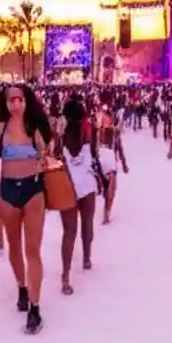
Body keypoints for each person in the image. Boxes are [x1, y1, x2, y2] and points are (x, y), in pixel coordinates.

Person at [0, 84, 53, 335]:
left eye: (19, 99)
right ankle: (22, 287)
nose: (15, 104)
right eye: (11, 100)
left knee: (32, 251)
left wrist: (45, 156)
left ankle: (35, 307)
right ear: (5, 102)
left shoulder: (34, 125)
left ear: (26, 101)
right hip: (8, 191)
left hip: (33, 190)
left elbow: (45, 153)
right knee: (14, 246)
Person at [58, 95, 99, 296]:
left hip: (67, 185)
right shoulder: (88, 129)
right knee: (87, 223)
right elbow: (95, 154)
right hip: (87, 183)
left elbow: (56, 160)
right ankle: (87, 258)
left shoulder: (61, 134)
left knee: (69, 232)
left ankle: (65, 277)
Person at [97, 105, 129, 225]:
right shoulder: (109, 132)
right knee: (111, 189)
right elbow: (119, 147)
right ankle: (106, 213)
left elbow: (119, 147)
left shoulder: (103, 131)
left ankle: (106, 213)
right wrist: (124, 164)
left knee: (109, 189)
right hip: (107, 161)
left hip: (103, 160)